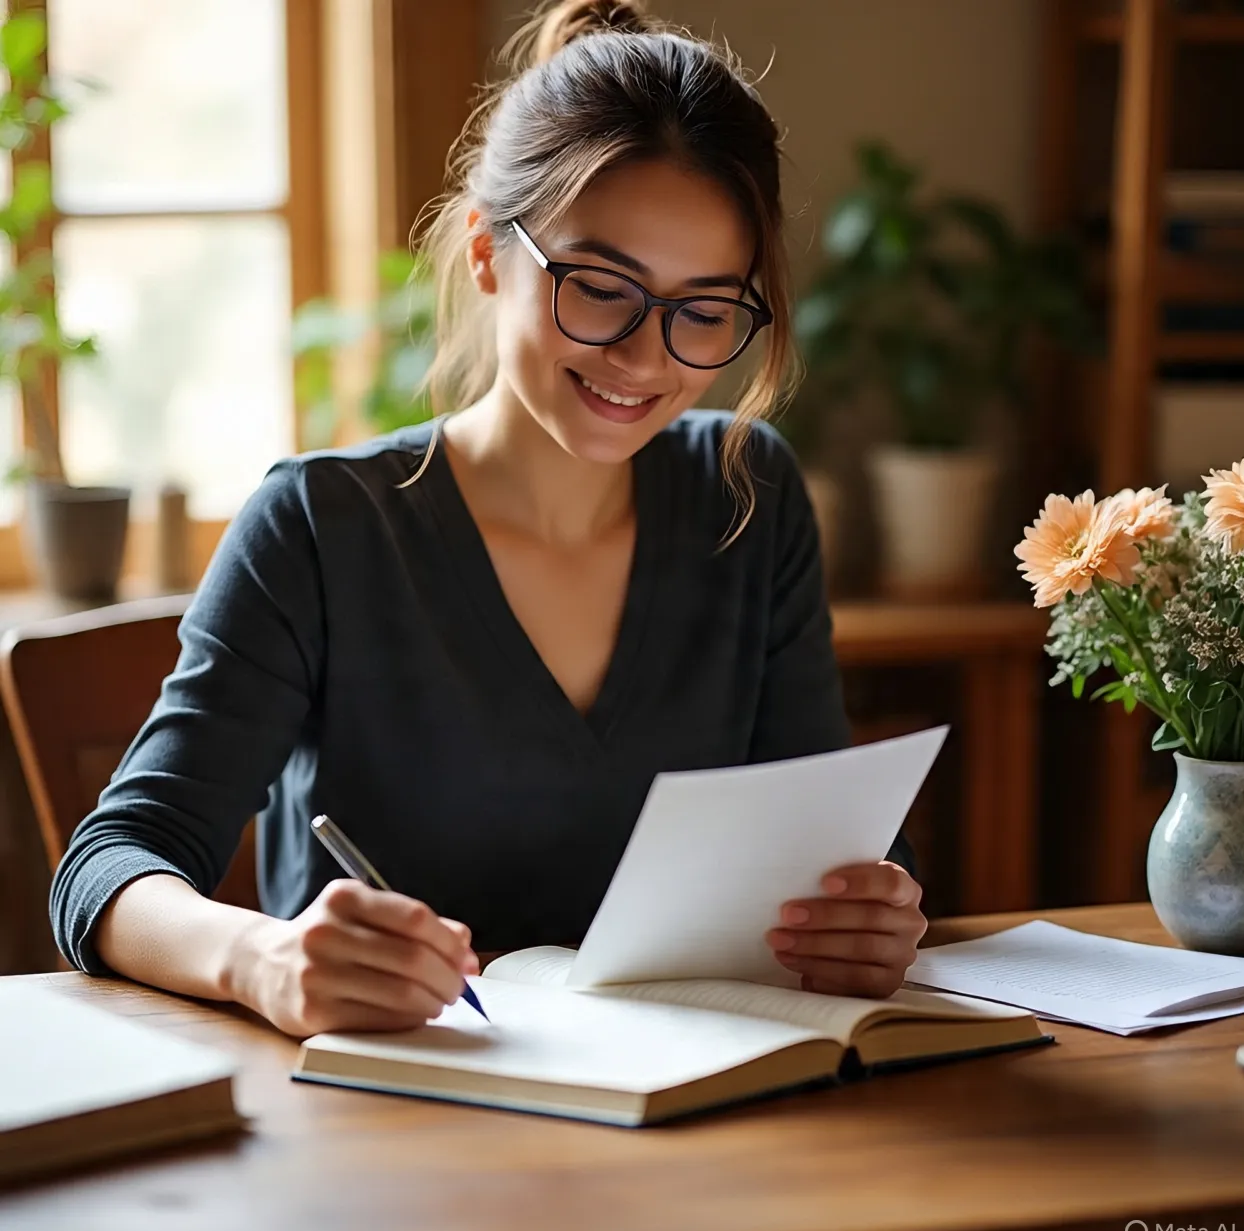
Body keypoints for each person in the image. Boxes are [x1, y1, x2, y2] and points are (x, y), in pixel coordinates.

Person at [50, 0, 926, 1039]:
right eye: (600, 289)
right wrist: (264, 959)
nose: (645, 360)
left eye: (703, 311)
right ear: (482, 250)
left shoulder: (750, 497)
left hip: (696, 1125)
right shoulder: (322, 527)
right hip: (390, 1137)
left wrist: (868, 912)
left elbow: (825, 844)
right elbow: (110, 864)